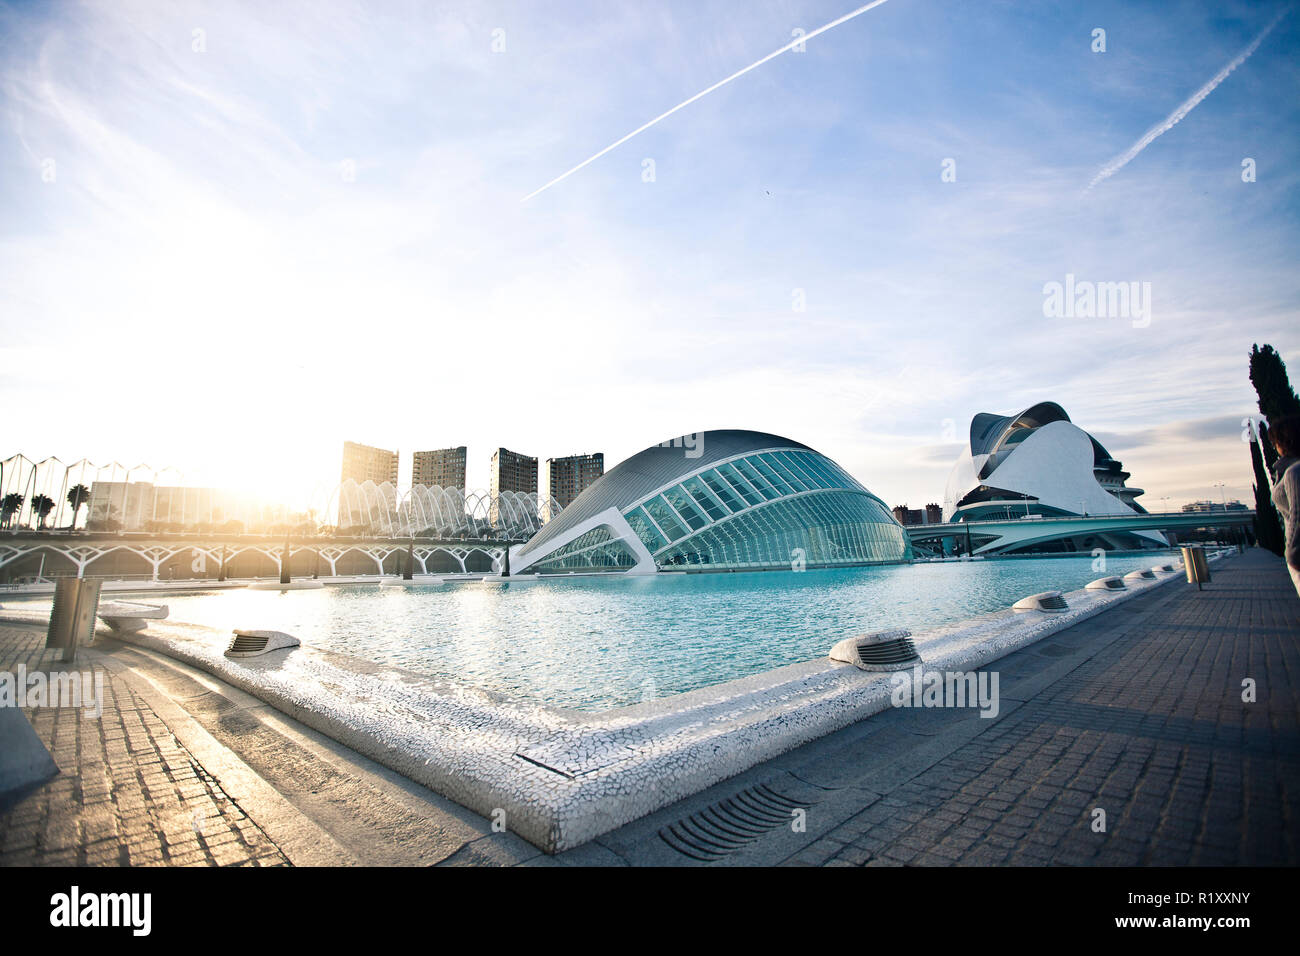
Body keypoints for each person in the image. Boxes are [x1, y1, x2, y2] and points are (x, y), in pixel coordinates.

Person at [1268, 415, 1300, 598]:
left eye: (1275, 441)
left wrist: (1293, 555)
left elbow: (1297, 517)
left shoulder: (1294, 471)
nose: (1274, 446)